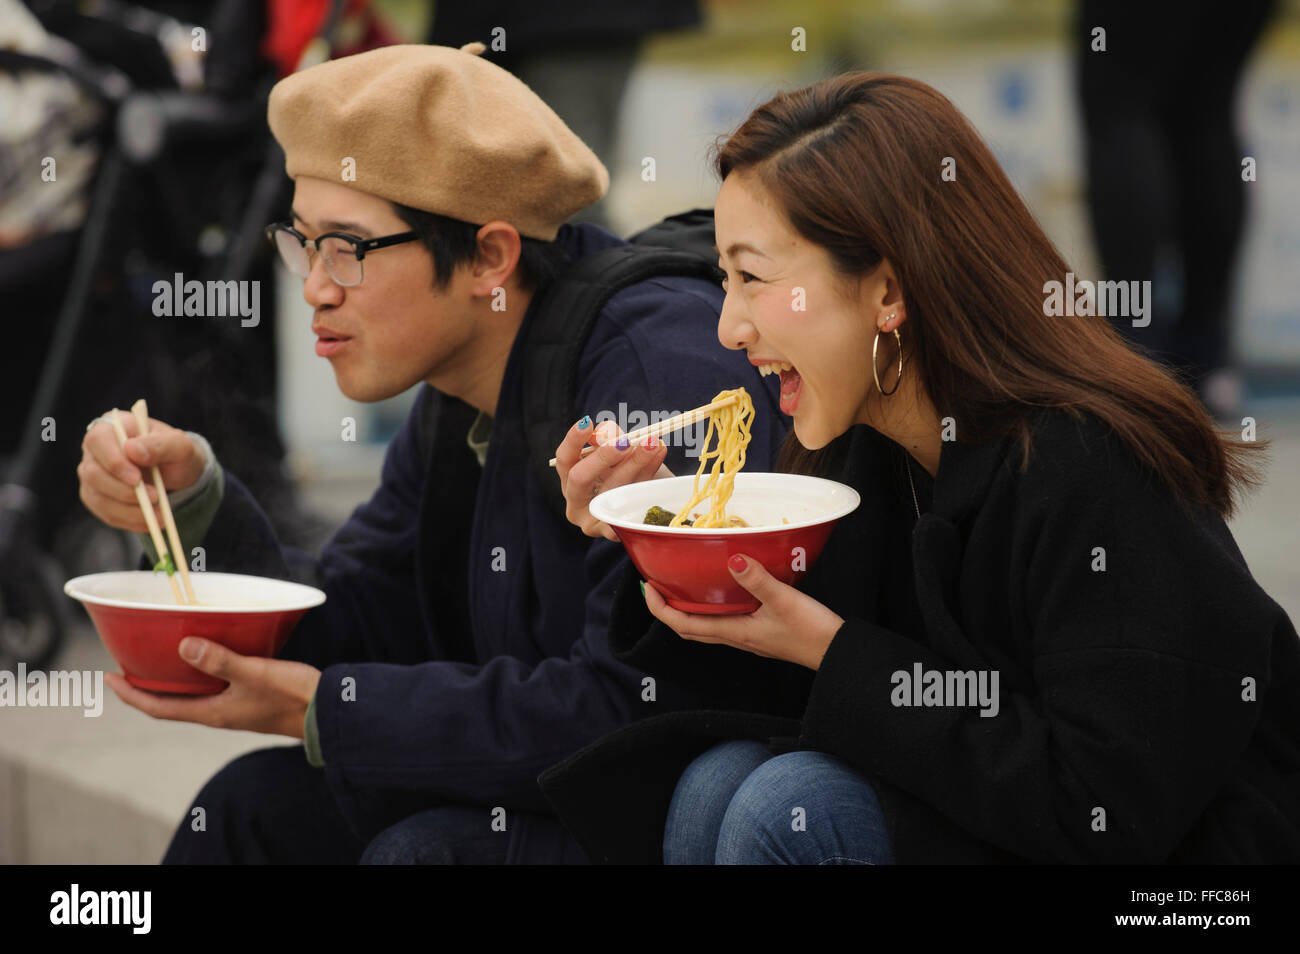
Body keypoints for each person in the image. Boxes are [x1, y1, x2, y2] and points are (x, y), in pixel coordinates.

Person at [543, 72, 1300, 864]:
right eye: (724, 280)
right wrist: (654, 538)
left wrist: (835, 653)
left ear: (889, 293)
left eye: (754, 278)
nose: (729, 328)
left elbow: (1105, 808)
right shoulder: (859, 446)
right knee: (717, 780)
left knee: (788, 806)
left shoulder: (1092, 463)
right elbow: (789, 704)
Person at [75, 43, 784, 864]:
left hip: (691, 810)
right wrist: (197, 501)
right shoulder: (459, 389)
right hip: (570, 792)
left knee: (426, 854)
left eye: (348, 247)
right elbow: (359, 621)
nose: (314, 286)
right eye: (301, 241)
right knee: (250, 812)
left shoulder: (657, 369)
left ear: (489, 256)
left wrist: (329, 709)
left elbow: (640, 709)